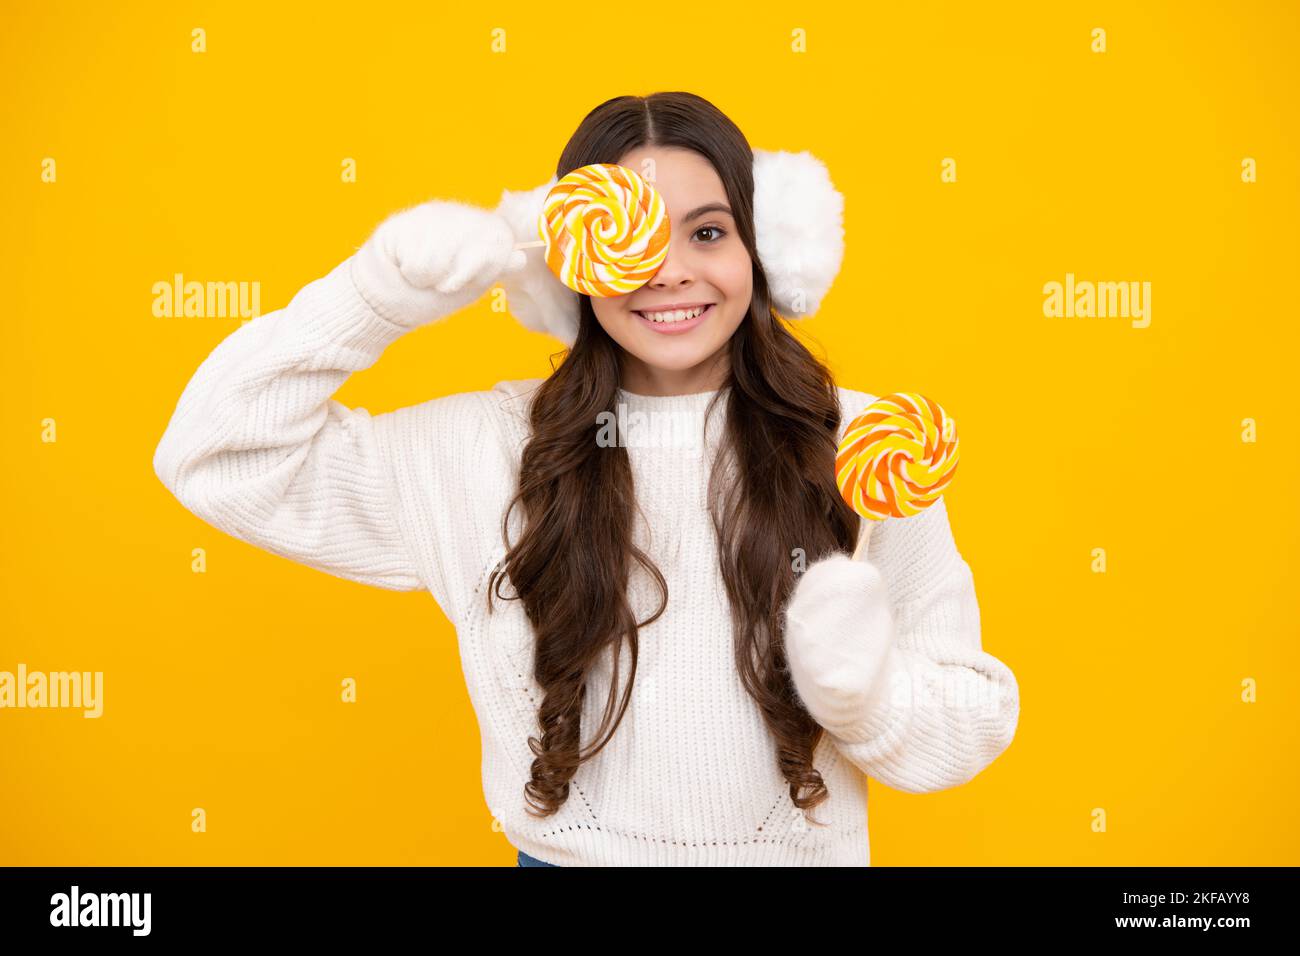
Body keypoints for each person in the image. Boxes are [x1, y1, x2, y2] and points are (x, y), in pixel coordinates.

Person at [153, 91, 1019, 867]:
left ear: (768, 248)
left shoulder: (860, 445)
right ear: (573, 250)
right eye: (636, 234)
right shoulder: (484, 451)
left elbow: (970, 722)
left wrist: (867, 694)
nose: (669, 270)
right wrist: (375, 296)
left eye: (708, 232)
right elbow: (215, 454)